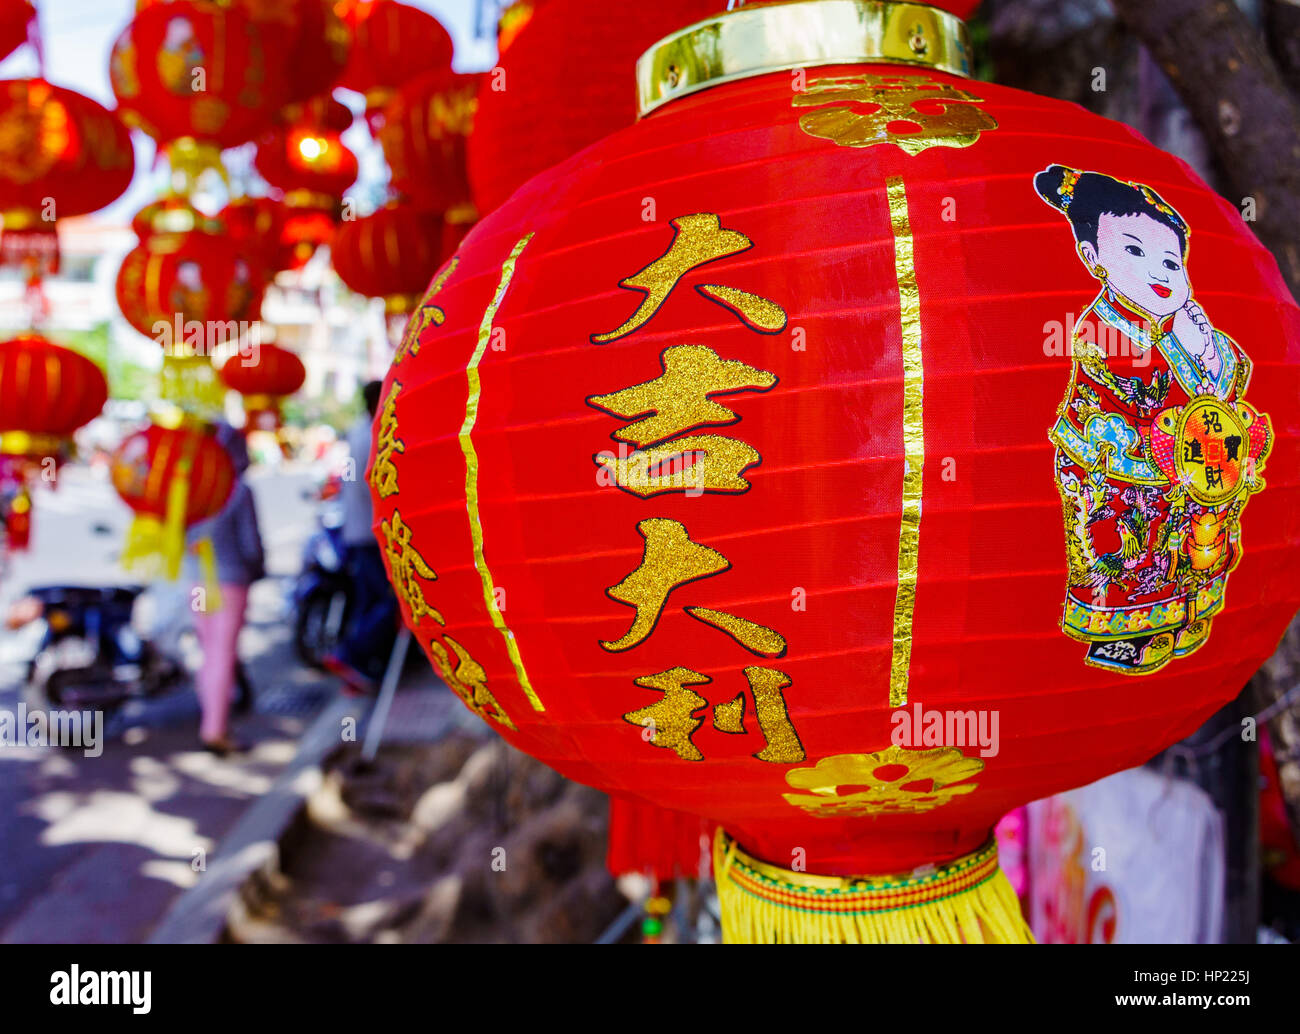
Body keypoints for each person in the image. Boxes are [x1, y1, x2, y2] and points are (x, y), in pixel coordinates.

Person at [1036, 165, 1271, 676]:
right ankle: (1126, 633)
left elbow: (1230, 372)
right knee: (1131, 552)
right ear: (1093, 259)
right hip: (1121, 467)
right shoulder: (1103, 329)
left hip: (1188, 461)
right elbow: (1125, 397)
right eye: (1136, 254)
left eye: (1171, 260)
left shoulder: (1187, 325)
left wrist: (1204, 347)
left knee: (1196, 545)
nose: (1160, 274)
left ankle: (1187, 614)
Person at [187, 422, 265, 755]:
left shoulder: (190, 486)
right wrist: (258, 568)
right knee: (222, 655)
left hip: (197, 582)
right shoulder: (237, 489)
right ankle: (215, 730)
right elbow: (251, 544)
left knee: (209, 653)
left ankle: (213, 720)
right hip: (229, 582)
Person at [325, 381, 397, 693]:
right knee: (387, 602)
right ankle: (351, 655)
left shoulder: (359, 431)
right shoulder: (373, 435)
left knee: (368, 601)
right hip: (371, 532)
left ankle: (360, 669)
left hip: (357, 530)